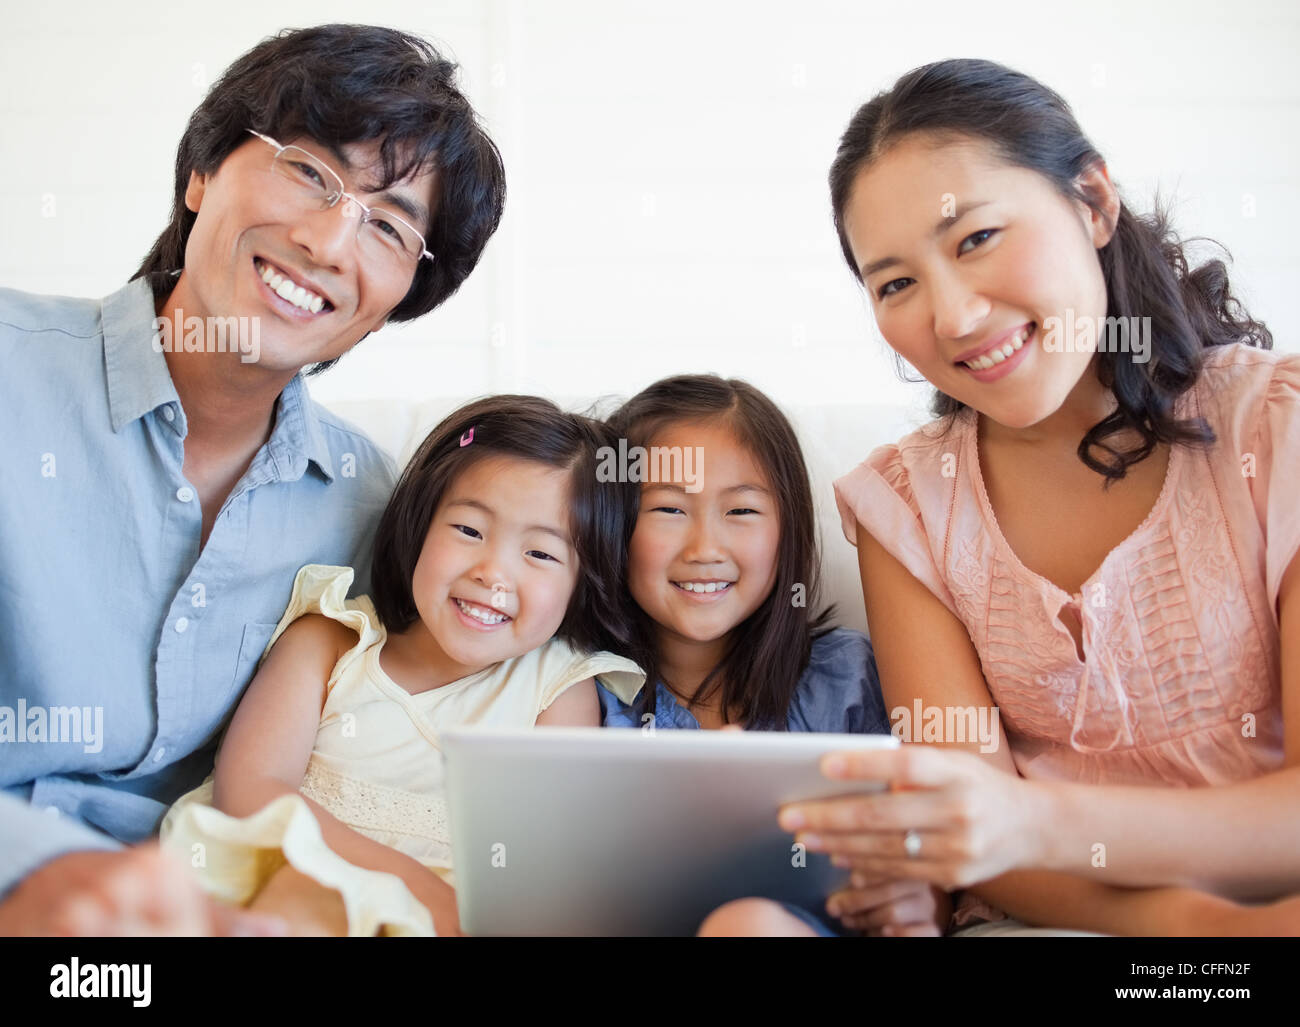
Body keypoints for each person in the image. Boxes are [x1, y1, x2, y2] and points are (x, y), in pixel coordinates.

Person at [0, 23, 506, 936]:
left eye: (388, 226)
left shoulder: (368, 504)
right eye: (310, 172)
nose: (327, 241)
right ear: (202, 172)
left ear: (393, 304)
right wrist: (41, 878)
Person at [779, 58, 1300, 935]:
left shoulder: (1273, 428)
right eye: (896, 282)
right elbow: (976, 840)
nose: (953, 318)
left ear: (1093, 201)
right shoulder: (904, 505)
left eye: (976, 238)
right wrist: (1193, 930)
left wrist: (1035, 821)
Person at [159, 396, 644, 936]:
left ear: (584, 581)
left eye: (541, 555)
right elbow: (250, 792)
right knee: (307, 896)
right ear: (420, 524)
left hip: (454, 923)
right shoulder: (331, 641)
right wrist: (417, 887)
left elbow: (541, 859)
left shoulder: (556, 691)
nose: (493, 572)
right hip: (294, 887)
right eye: (469, 531)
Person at [594, 375, 919, 936]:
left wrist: (918, 900)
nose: (704, 549)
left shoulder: (848, 679)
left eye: (741, 512)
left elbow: (912, 850)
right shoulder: (580, 690)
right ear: (611, 524)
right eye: (669, 510)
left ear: (786, 531)